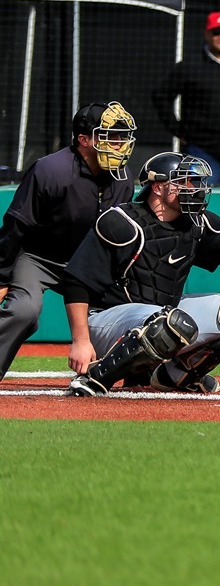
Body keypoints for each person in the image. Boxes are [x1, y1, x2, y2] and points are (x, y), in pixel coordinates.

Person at [58, 151, 220, 396]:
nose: (193, 188)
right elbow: (76, 281)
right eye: (183, 182)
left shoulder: (196, 223)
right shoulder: (121, 222)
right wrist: (80, 341)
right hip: (106, 323)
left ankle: (177, 376)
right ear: (157, 187)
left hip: (163, 321)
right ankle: (94, 379)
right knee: (168, 321)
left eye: (194, 182)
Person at [0, 102, 138, 381]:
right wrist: (1, 280)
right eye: (110, 136)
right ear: (83, 140)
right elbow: (16, 226)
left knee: (136, 309)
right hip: (39, 257)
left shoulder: (123, 178)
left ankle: (135, 376)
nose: (119, 144)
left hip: (89, 264)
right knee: (23, 311)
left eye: (122, 137)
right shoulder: (50, 170)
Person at [152, 10, 220, 186]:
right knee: (200, 202)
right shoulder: (190, 66)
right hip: (202, 152)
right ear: (207, 33)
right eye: (216, 32)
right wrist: (178, 130)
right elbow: (160, 96)